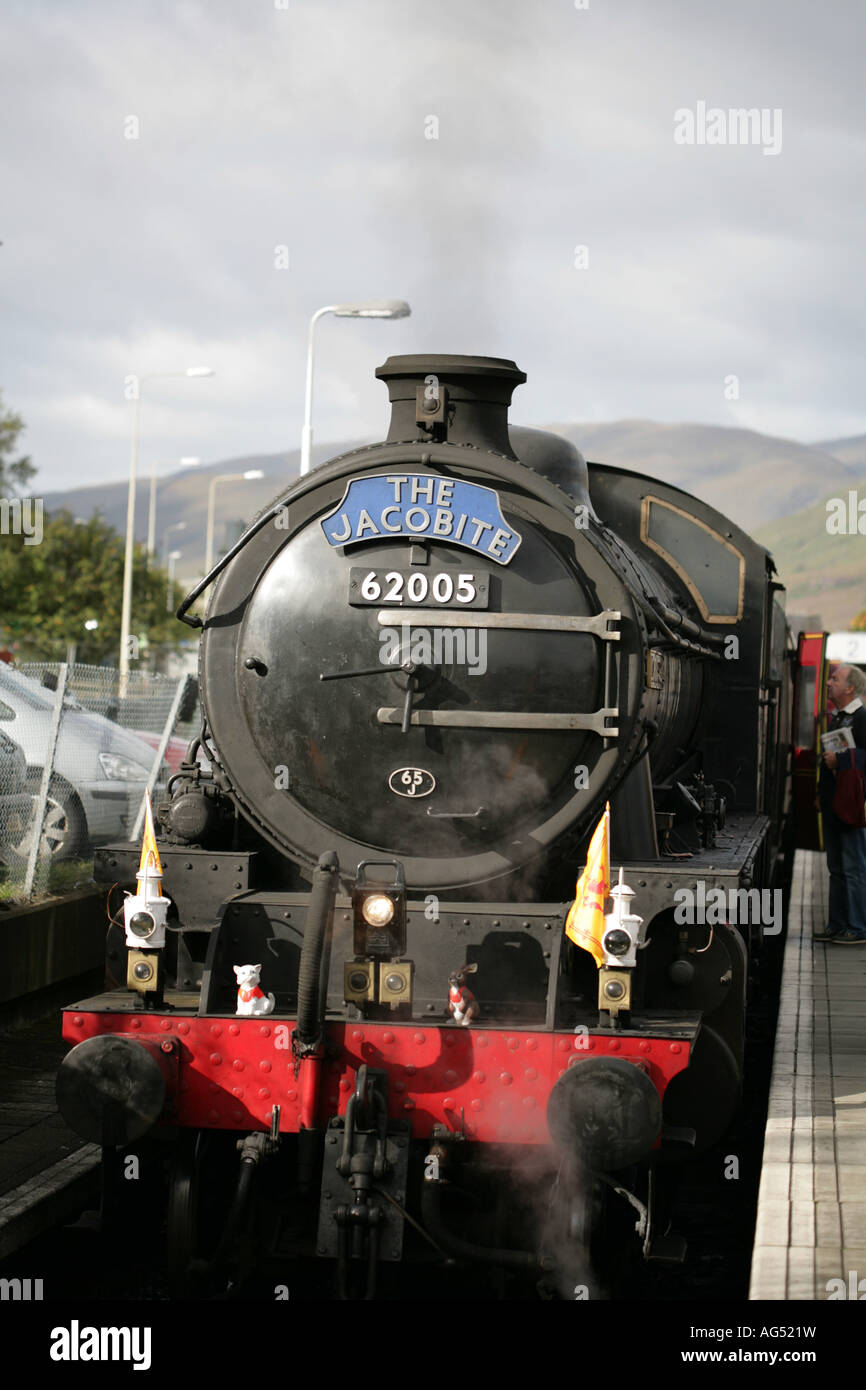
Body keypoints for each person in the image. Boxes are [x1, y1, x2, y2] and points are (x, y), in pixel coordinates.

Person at [815, 663, 866, 944]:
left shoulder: (861, 717)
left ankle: (857, 928)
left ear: (850, 687)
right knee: (836, 869)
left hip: (851, 805)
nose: (828, 683)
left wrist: (843, 760)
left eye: (835, 679)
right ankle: (837, 924)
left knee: (854, 868)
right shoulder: (838, 718)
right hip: (834, 802)